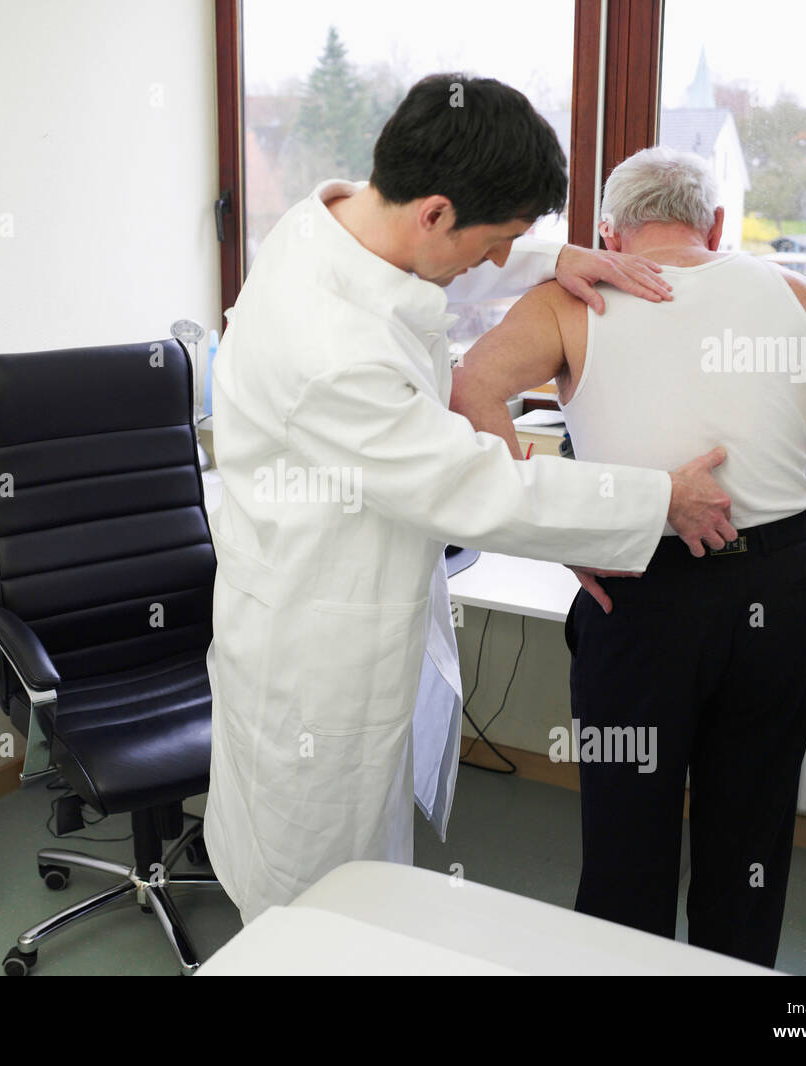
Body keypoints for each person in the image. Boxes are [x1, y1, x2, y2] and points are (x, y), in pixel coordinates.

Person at [204, 76, 738, 925]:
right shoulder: (326, 349)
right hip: (311, 659)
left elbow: (434, 258)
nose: (499, 261)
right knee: (305, 910)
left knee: (368, 896)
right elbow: (474, 485)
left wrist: (553, 255)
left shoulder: (335, 222)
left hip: (346, 603)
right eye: (497, 242)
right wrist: (657, 499)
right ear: (437, 213)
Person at [449, 146, 806, 966]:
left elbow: (471, 387)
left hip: (640, 589)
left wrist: (565, 533)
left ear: (609, 233)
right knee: (749, 845)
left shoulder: (575, 297)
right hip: (779, 591)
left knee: (625, 844)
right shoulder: (793, 294)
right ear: (714, 225)